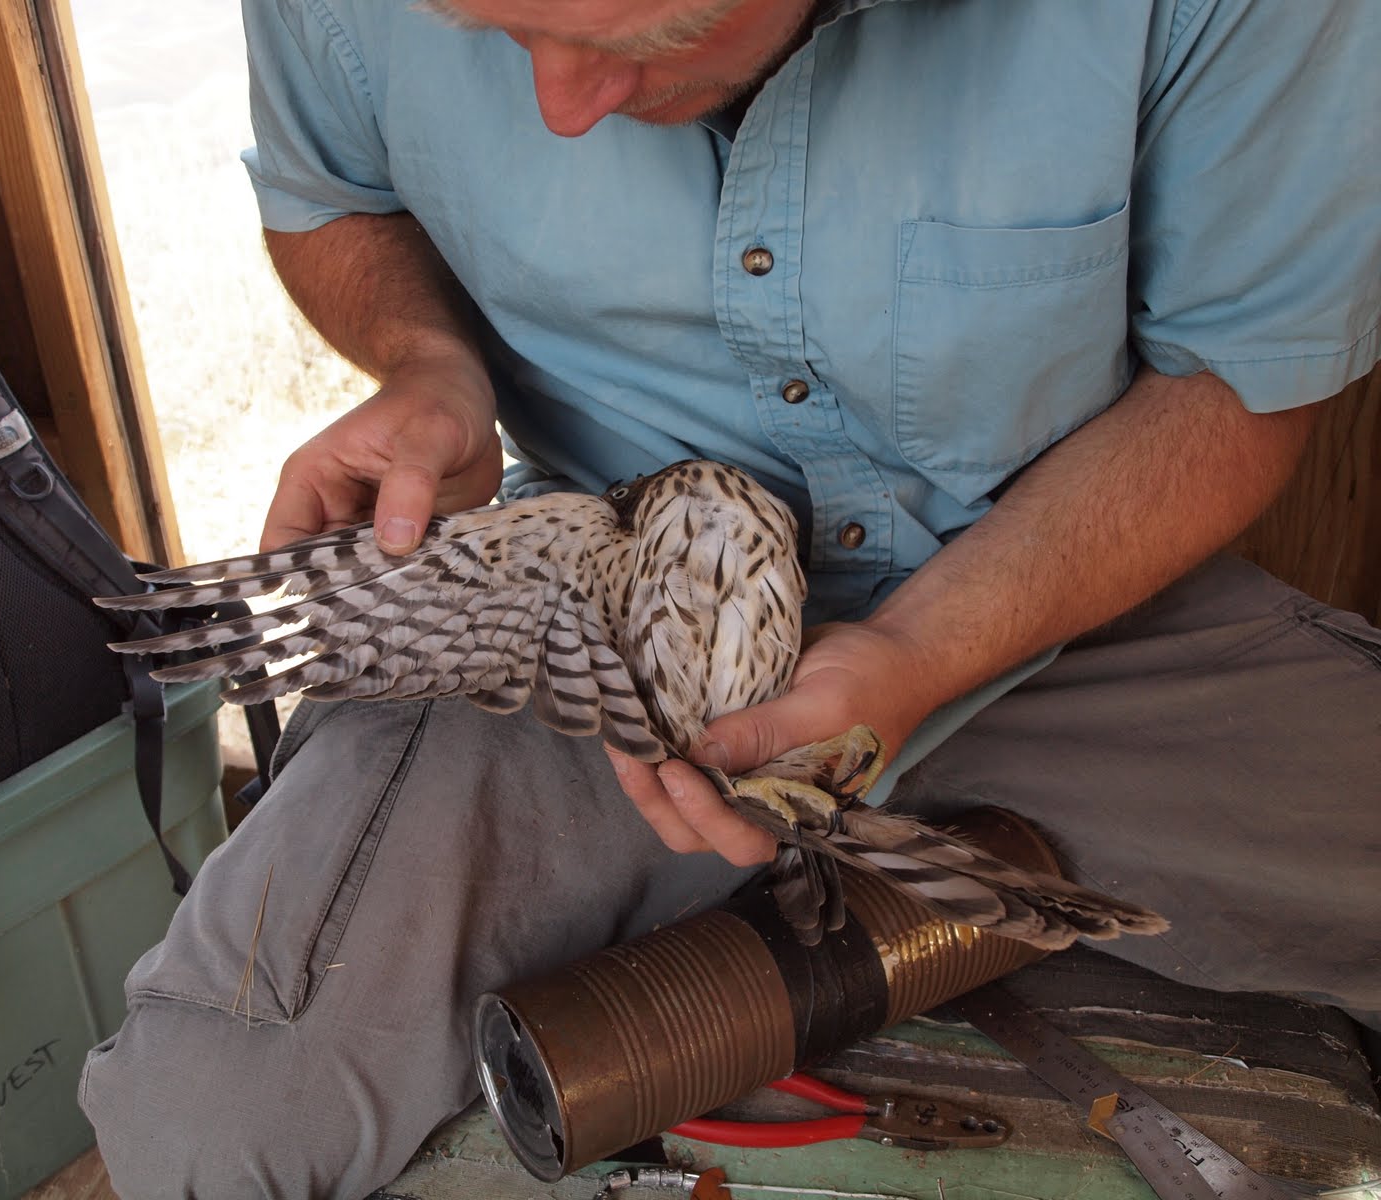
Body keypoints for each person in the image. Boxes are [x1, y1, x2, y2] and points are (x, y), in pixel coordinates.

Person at [80, 1, 1381, 1195]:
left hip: (1055, 587)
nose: (561, 106)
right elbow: (330, 199)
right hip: (603, 630)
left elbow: (1233, 385)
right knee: (208, 1122)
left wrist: (919, 654)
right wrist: (430, 368)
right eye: (486, 26)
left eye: (645, 32)